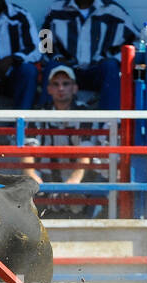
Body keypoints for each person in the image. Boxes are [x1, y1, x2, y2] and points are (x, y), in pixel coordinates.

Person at [39, 0, 139, 111]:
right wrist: (57, 58)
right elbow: (44, 39)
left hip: (97, 72)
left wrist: (112, 59)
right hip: (67, 71)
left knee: (111, 66)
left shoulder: (112, 11)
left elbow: (136, 41)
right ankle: (42, 126)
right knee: (53, 67)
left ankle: (110, 126)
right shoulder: (57, 8)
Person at [24, 64, 103, 217]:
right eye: (56, 84)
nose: (61, 88)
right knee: (26, 190)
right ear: (49, 89)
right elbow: (28, 148)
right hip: (47, 179)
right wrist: (31, 175)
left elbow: (86, 150)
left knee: (101, 187)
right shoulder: (39, 114)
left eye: (66, 84)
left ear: (75, 88)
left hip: (81, 179)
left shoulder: (85, 113)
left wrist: (75, 181)